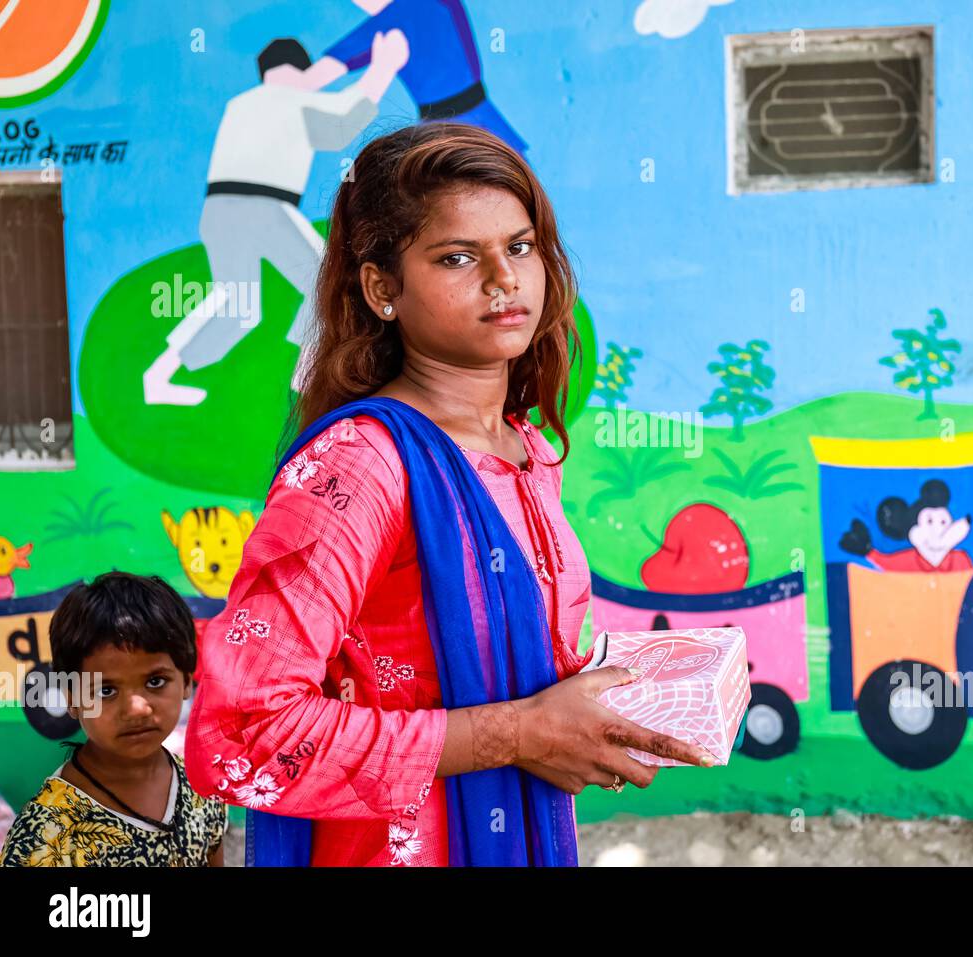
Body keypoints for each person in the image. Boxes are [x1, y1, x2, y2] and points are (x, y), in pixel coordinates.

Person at [184, 122, 713, 868]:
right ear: (381, 288)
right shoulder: (359, 465)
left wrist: (615, 702)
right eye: (458, 257)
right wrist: (521, 732)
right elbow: (240, 735)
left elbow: (510, 672)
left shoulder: (523, 446)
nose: (504, 280)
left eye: (520, 247)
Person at [142, 30, 409, 407]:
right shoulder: (290, 100)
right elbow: (340, 126)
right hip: (262, 207)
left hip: (219, 210)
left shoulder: (243, 103)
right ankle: (305, 377)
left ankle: (158, 375)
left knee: (238, 306)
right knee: (326, 280)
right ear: (296, 71)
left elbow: (334, 114)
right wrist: (382, 69)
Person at [0, 573, 228, 867]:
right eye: (106, 690)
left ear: (185, 680)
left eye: (156, 681)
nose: (136, 708)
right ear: (71, 697)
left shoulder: (202, 786)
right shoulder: (43, 836)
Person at [312, 0, 527, 154]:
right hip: (465, 120)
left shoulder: (401, 12)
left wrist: (295, 82)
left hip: (452, 126)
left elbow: (322, 72)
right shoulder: (404, 12)